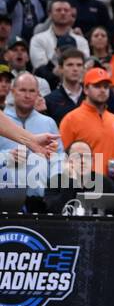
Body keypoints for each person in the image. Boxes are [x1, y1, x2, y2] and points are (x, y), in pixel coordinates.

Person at [0, 73, 65, 211]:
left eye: (32, 91)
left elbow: (59, 157)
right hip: (5, 195)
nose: (27, 95)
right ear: (12, 92)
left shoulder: (48, 123)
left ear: (38, 94)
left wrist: (53, 185)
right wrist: (7, 157)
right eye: (22, 90)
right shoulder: (4, 120)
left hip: (40, 199)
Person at [57, 67, 114, 186]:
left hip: (109, 185)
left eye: (106, 86)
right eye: (97, 86)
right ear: (86, 89)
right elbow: (62, 156)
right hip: (79, 185)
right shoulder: (71, 119)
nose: (103, 90)